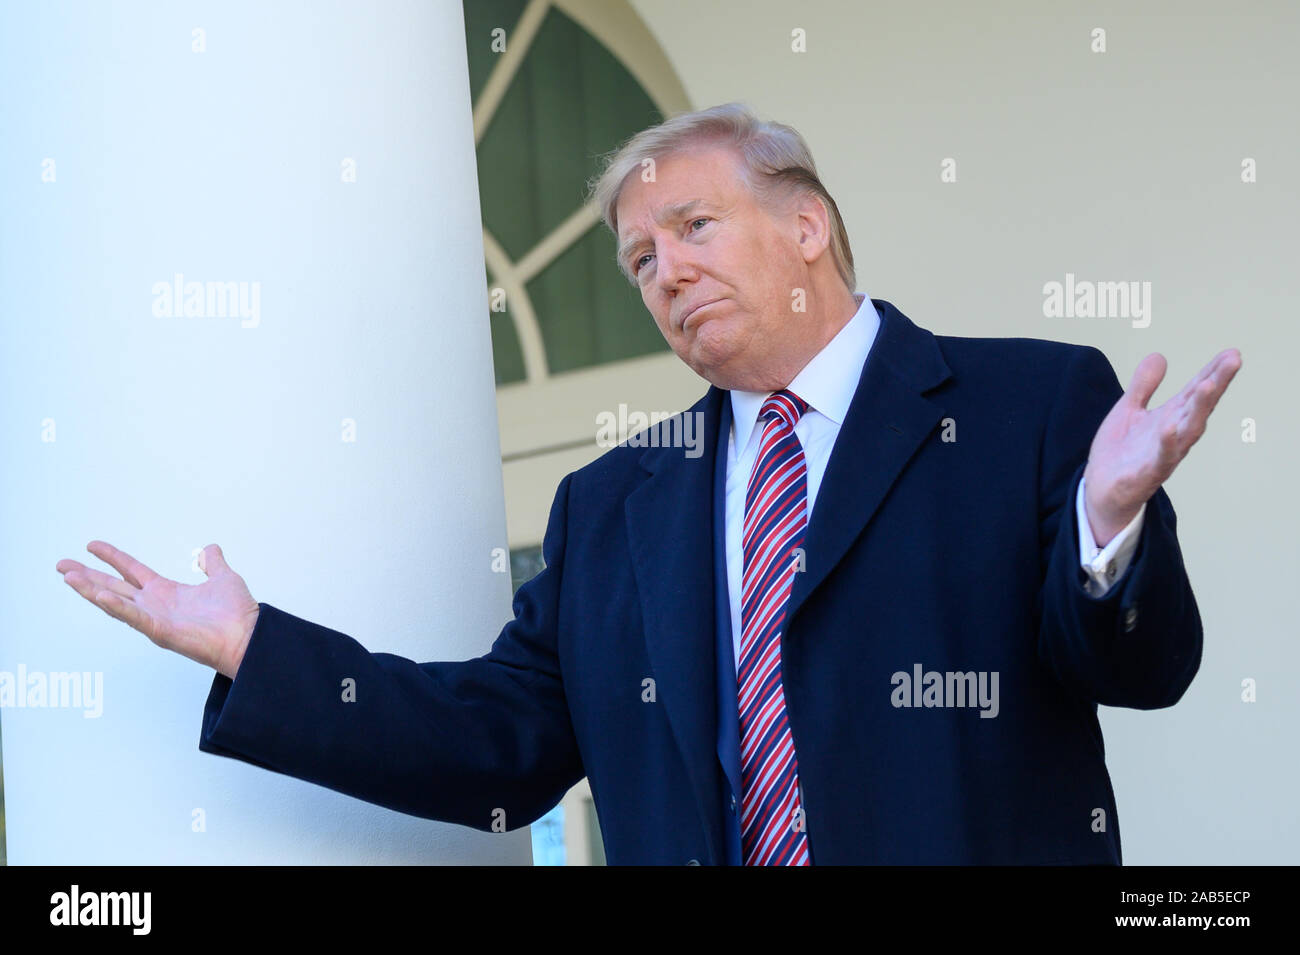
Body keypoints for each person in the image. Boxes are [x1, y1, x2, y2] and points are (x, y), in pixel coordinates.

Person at [57, 103, 1240, 865]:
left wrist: (1108, 526)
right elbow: (501, 746)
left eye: (693, 226)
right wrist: (256, 647)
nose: (664, 270)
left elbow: (1143, 669)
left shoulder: (1027, 408)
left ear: (808, 225)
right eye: (637, 259)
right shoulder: (617, 502)